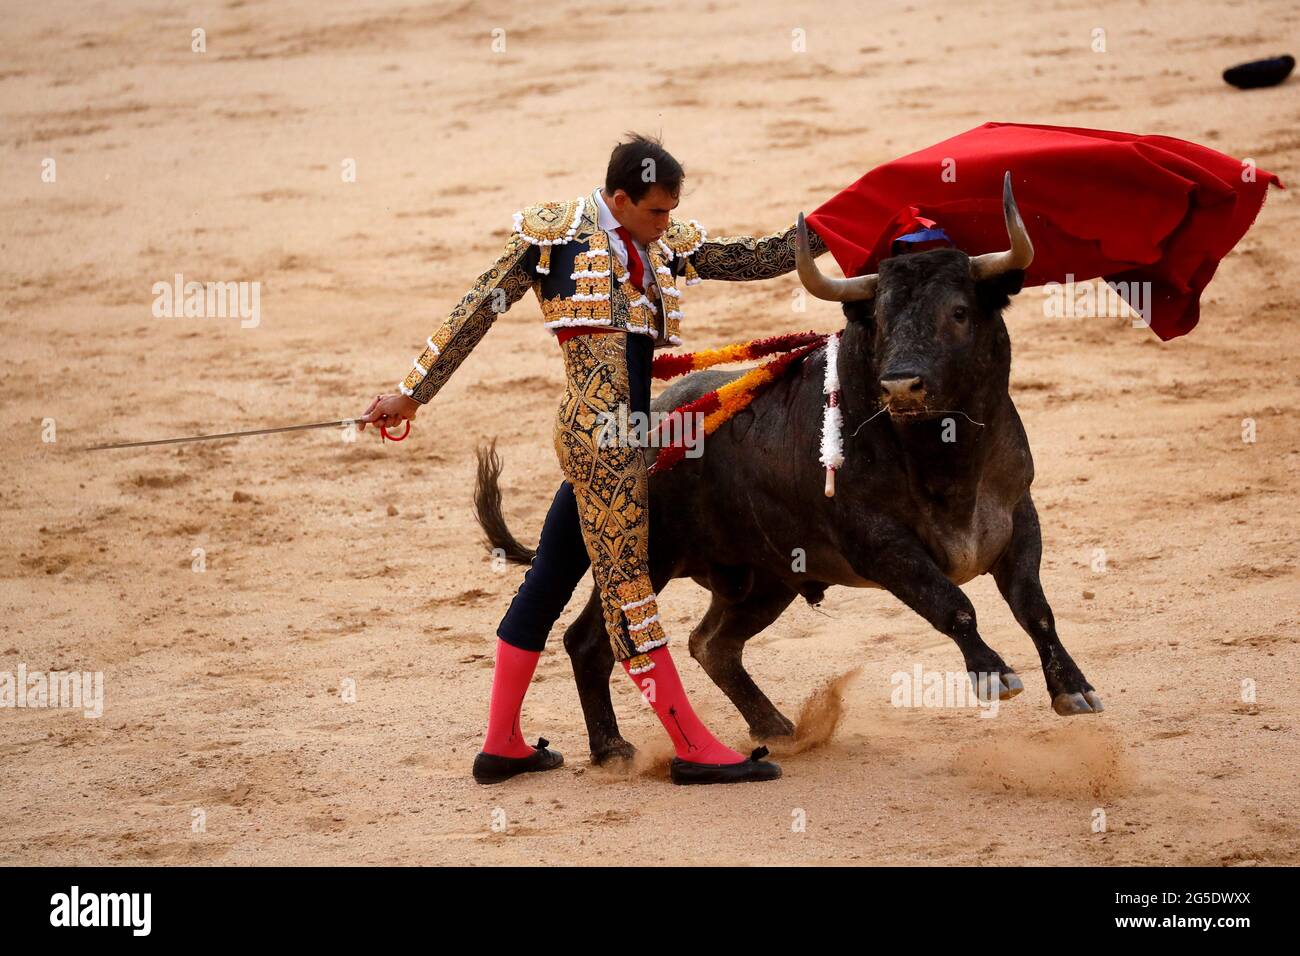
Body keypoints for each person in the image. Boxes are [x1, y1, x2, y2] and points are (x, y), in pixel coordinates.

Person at [359, 133, 827, 785]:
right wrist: (412, 394)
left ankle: (502, 745)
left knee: (550, 579)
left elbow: (756, 257)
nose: (665, 224)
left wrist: (843, 223)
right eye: (655, 211)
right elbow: (477, 308)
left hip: (620, 436)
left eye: (671, 211)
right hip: (604, 441)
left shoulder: (657, 240)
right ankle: (691, 746)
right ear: (619, 198)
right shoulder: (554, 236)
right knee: (629, 593)